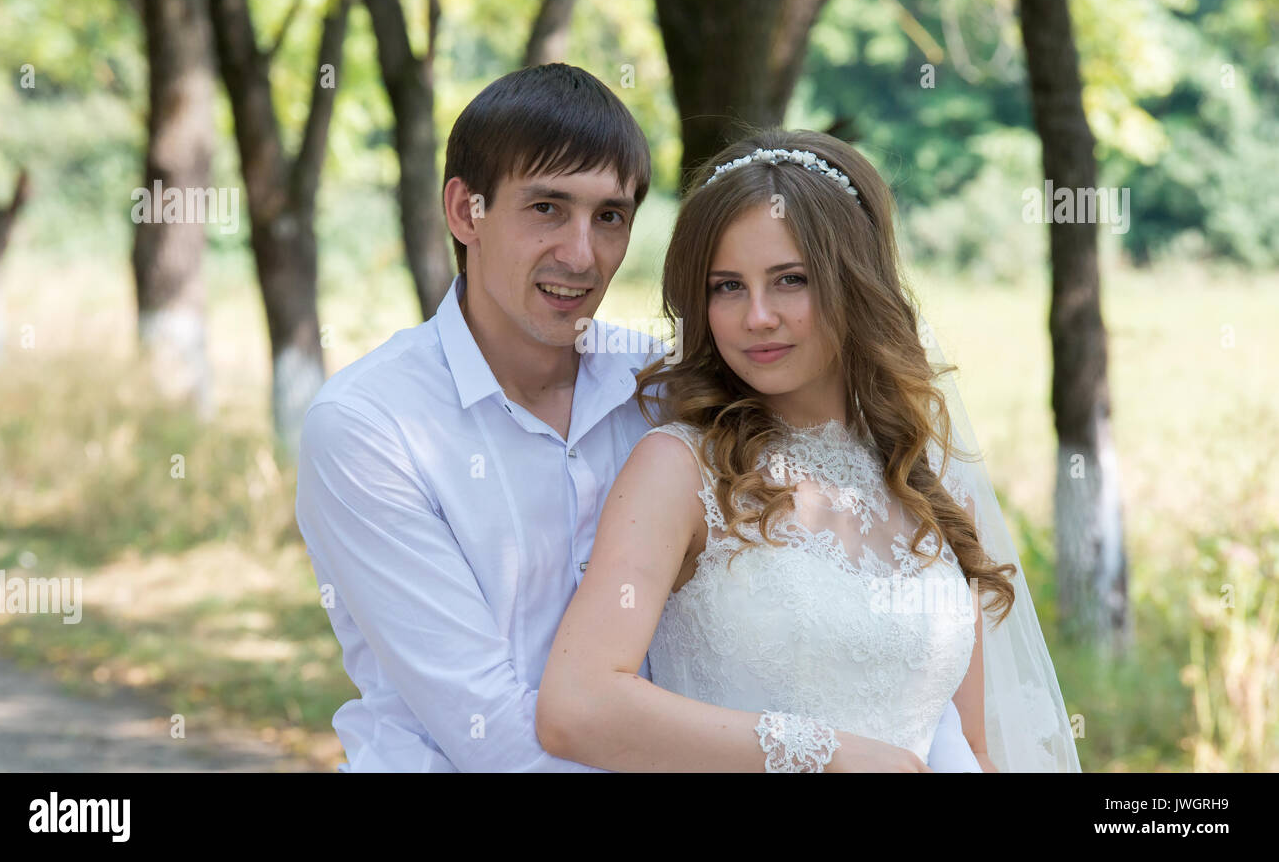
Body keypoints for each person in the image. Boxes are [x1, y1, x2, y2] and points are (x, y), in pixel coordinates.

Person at [294, 64, 977, 771]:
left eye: (609, 217)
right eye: (547, 208)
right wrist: (814, 755)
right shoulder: (371, 426)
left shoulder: (667, 387)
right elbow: (489, 731)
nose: (581, 254)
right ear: (467, 212)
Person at [535, 128, 1082, 773]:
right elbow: (577, 705)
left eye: (790, 280)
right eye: (726, 286)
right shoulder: (681, 470)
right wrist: (824, 754)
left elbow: (974, 748)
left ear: (853, 282)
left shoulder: (929, 487)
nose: (757, 317)